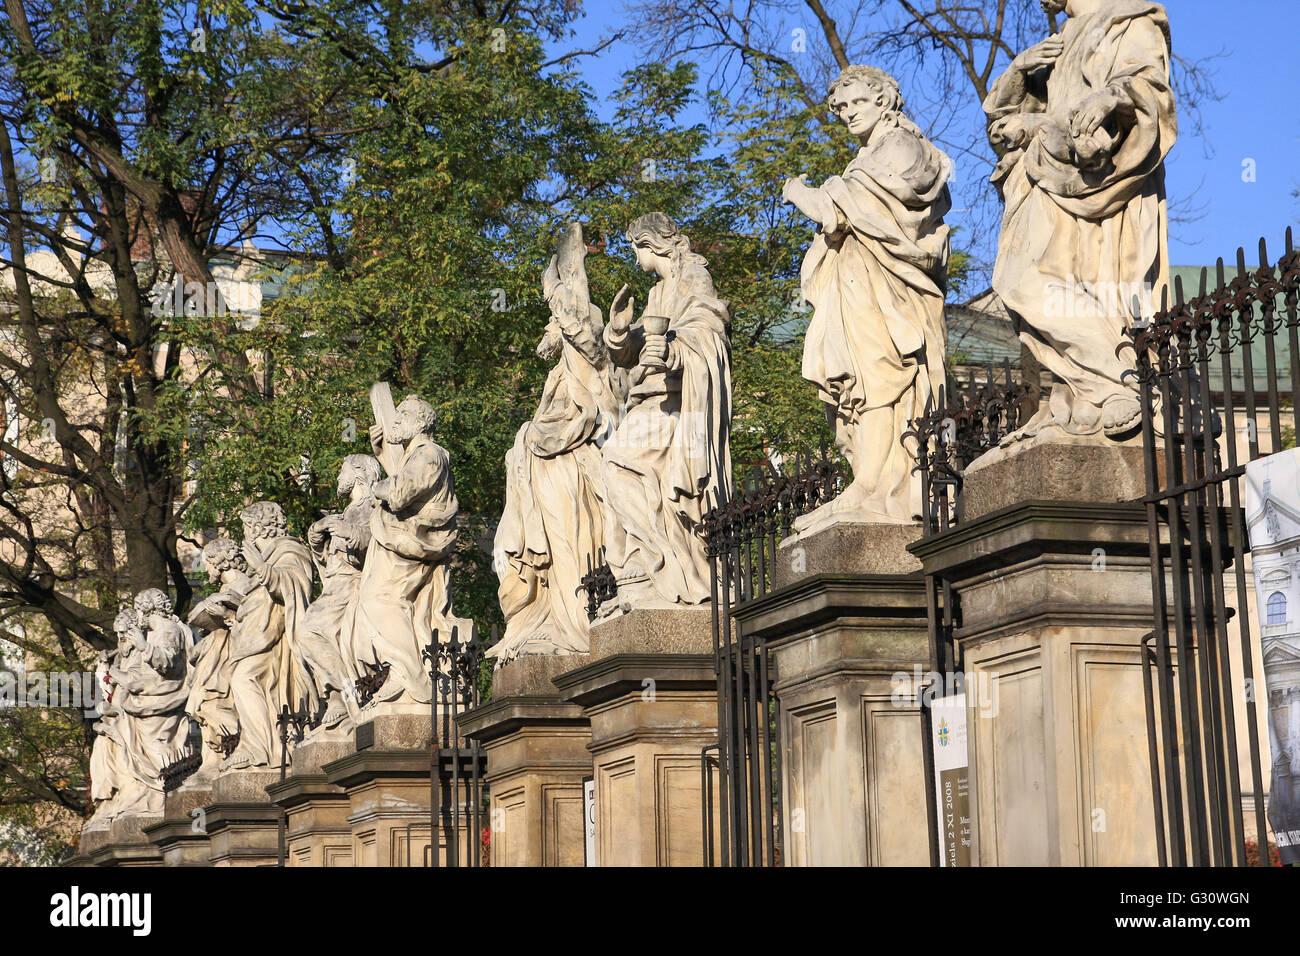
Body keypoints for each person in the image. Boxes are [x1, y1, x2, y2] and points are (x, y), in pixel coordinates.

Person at [984, 0, 1177, 441]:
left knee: (1066, 283)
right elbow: (1002, 120)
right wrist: (1018, 72)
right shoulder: (1061, 39)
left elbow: (1155, 92)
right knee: (1023, 282)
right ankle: (1086, 388)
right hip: (1047, 172)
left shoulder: (1129, 21)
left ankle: (1119, 384)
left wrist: (1112, 94)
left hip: (1105, 181)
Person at [783, 64, 951, 525]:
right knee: (862, 384)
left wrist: (799, 191)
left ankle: (874, 486)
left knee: (882, 380)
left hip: (889, 290)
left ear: (885, 100)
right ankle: (868, 482)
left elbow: (841, 212)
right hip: (861, 283)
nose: (848, 114)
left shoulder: (900, 147)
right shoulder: (868, 158)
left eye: (858, 103)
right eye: (841, 108)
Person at [493, 224, 621, 662]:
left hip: (580, 462)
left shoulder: (587, 340)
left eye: (552, 316)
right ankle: (554, 616)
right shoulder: (557, 374)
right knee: (560, 543)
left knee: (575, 543)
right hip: (556, 463)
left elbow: (592, 354)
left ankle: (577, 622)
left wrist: (568, 287)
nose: (546, 328)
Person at [600, 213, 732, 607]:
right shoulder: (658, 292)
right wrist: (620, 330)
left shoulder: (693, 275)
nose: (633, 256)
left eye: (634, 247)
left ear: (649, 243)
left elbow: (708, 330)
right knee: (622, 469)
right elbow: (631, 352)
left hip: (678, 403)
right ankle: (648, 565)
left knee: (618, 461)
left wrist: (675, 352)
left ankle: (658, 565)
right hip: (652, 400)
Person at [346, 395, 463, 704]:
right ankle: (399, 671)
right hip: (397, 540)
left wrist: (377, 487)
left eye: (402, 415)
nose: (394, 420)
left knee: (381, 602)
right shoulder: (416, 455)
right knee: (372, 603)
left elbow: (399, 492)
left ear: (420, 423)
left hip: (412, 542)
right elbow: (402, 477)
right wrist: (383, 452)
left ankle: (410, 677)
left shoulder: (429, 455)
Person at [223, 502, 313, 770]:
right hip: (255, 639)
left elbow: (294, 586)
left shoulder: (289, 550)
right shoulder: (265, 558)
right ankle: (255, 744)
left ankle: (268, 746)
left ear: (256, 527)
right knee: (241, 681)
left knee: (243, 679)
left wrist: (262, 568)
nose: (244, 533)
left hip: (276, 641)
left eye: (246, 527)